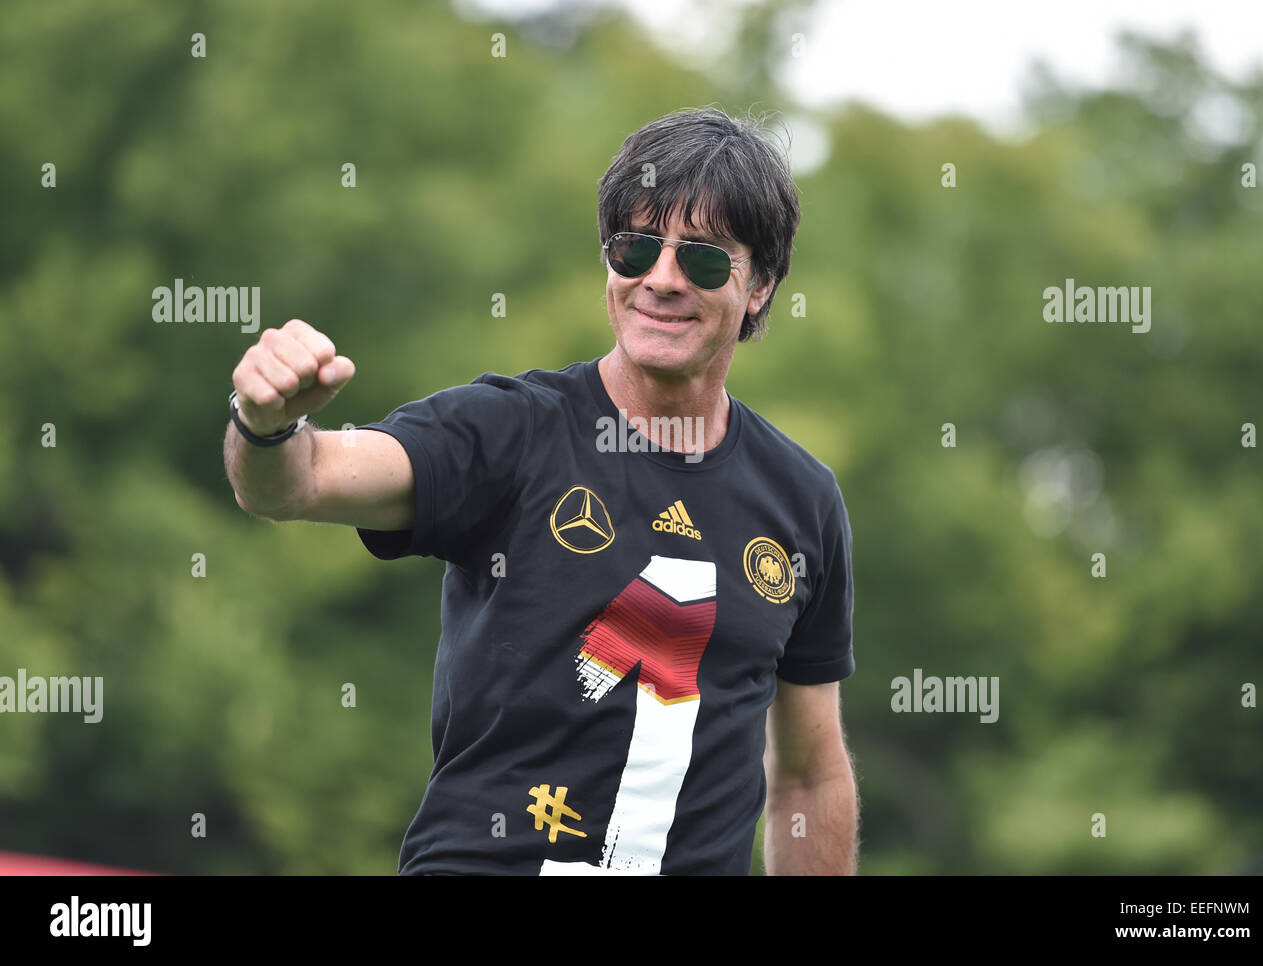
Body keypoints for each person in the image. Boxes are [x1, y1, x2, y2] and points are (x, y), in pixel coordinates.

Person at [223, 106, 858, 875]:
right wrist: (263, 422)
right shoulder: (508, 431)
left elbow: (807, 775)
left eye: (703, 260)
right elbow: (299, 481)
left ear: (758, 286)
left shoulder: (802, 500)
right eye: (634, 249)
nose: (660, 279)